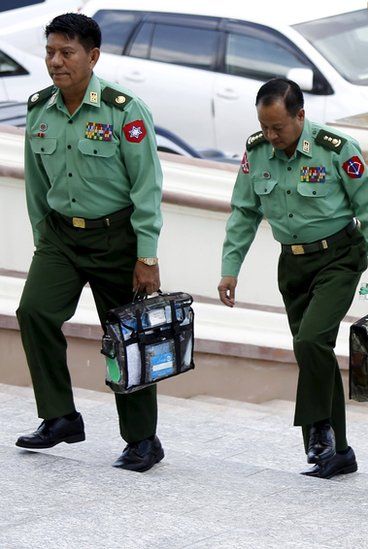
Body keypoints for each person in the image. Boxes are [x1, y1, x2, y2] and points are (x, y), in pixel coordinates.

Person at [218, 78, 368, 479]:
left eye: (278, 127)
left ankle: (316, 429)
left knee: (312, 340)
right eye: (264, 127)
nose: (271, 135)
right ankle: (340, 452)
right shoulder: (257, 152)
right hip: (292, 265)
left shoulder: (336, 150)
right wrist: (230, 268)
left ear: (300, 115)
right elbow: (244, 212)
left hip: (339, 258)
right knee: (314, 352)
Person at [14, 13, 165, 472]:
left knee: (126, 336)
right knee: (34, 311)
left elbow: (147, 187)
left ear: (92, 56)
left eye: (66, 52)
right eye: (50, 52)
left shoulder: (124, 111)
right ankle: (60, 416)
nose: (55, 62)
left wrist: (147, 254)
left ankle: (143, 441)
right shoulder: (40, 107)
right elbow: (36, 183)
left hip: (116, 239)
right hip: (60, 236)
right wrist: (44, 239)